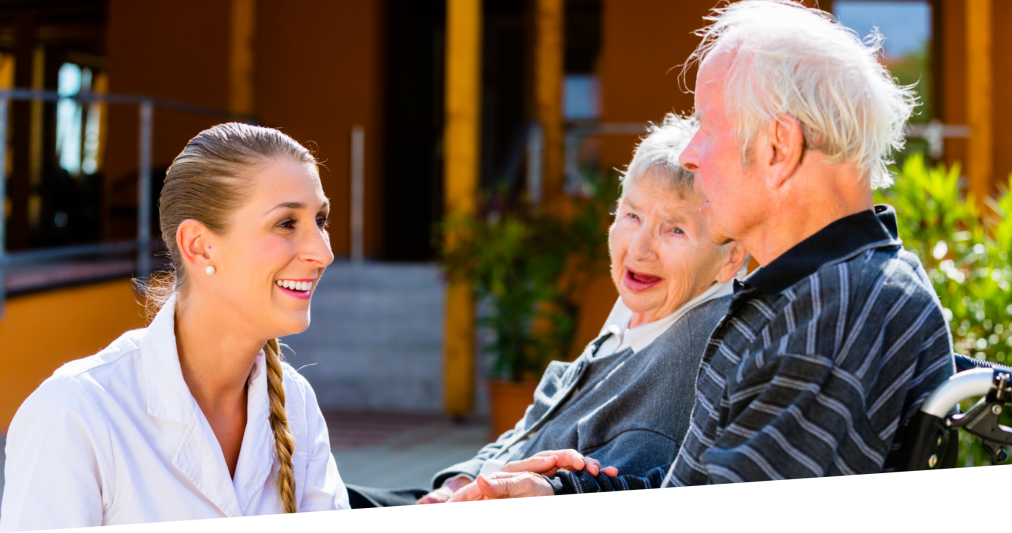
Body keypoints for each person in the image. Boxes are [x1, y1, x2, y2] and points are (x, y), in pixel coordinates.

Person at [449, 0, 955, 501]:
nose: (689, 155)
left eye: (708, 127)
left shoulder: (841, 309)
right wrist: (557, 489)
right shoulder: (813, 292)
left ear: (778, 147)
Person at [344, 113, 747, 508]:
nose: (639, 249)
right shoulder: (644, 309)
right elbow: (535, 427)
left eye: (675, 229)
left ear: (731, 258)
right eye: (631, 215)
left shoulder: (697, 347)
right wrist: (463, 480)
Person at [0, 123, 349, 530]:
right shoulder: (73, 416)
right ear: (199, 246)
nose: (323, 252)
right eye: (287, 223)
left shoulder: (296, 404)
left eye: (320, 220)